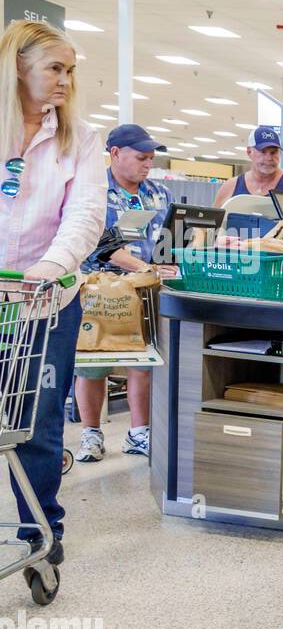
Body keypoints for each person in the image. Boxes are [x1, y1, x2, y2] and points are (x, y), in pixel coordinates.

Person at [0, 21, 107, 566]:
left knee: (34, 419)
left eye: (70, 71)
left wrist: (50, 266)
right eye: (55, 69)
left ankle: (39, 528)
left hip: (45, 301)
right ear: (18, 67)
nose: (66, 80)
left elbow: (86, 214)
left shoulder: (81, 139)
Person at [73, 124, 176, 463]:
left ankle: (138, 433)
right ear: (115, 153)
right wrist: (141, 267)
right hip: (99, 290)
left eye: (151, 159)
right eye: (141, 157)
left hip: (145, 291)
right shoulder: (94, 192)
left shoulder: (159, 194)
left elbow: (168, 239)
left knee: (143, 363)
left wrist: (171, 262)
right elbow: (99, 245)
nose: (147, 164)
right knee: (93, 365)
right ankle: (91, 434)